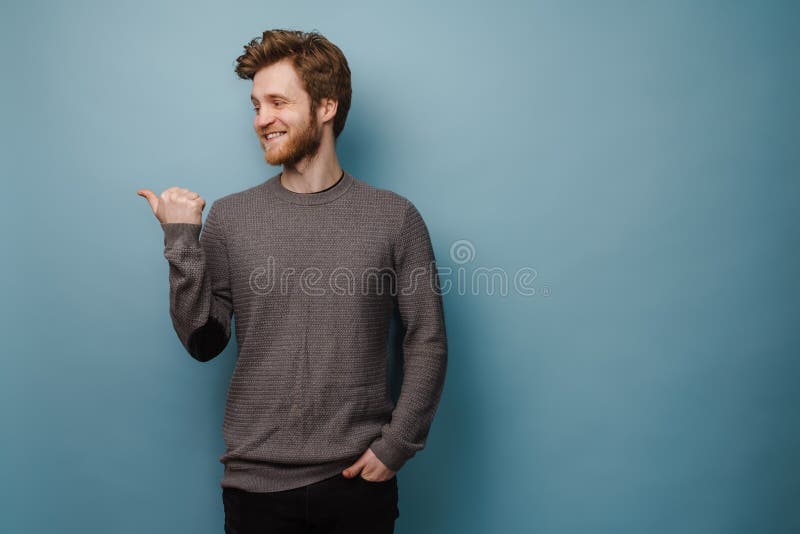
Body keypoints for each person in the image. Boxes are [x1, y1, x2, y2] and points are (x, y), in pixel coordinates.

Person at [136, 29, 448, 533]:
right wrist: (181, 240)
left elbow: (427, 340)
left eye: (278, 102)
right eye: (256, 105)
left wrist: (396, 446)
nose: (262, 120)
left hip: (357, 484)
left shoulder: (395, 218)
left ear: (326, 106)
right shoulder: (232, 218)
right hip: (254, 487)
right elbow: (203, 340)